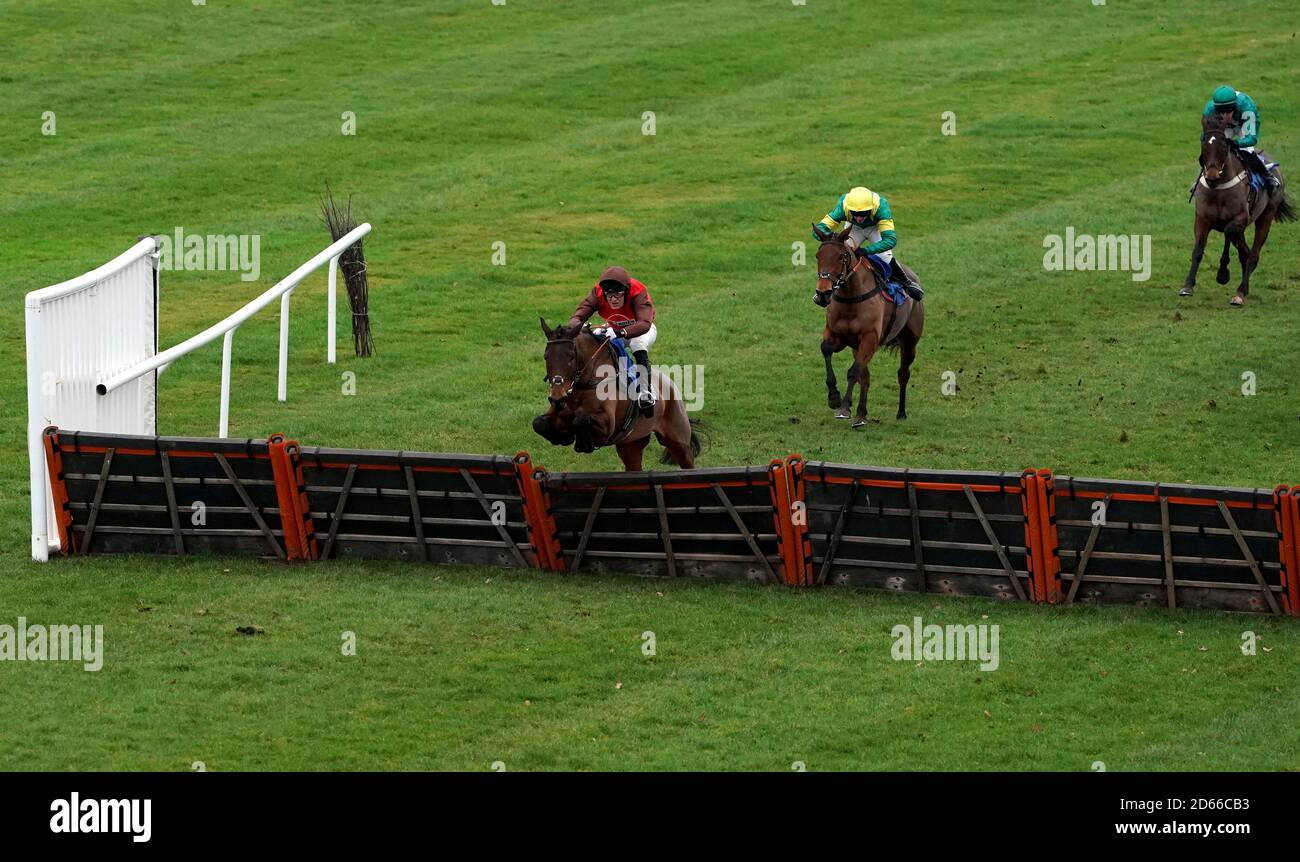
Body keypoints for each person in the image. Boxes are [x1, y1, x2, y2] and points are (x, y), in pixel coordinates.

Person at [565, 266, 657, 416]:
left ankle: (645, 391)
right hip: (613, 329)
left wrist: (620, 332)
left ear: (626, 291)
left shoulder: (638, 291)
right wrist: (578, 327)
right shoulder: (598, 293)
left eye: (618, 294)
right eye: (609, 294)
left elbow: (645, 323)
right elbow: (577, 317)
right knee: (595, 342)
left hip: (639, 330)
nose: (613, 299)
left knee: (637, 344)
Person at [811, 186, 923, 307]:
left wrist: (866, 250)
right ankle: (827, 291)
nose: (859, 218)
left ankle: (907, 283)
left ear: (871, 209)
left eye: (863, 214)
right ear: (849, 209)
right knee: (841, 255)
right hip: (853, 228)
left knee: (885, 256)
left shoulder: (881, 207)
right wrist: (832, 239)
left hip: (875, 228)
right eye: (855, 214)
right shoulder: (843, 206)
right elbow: (819, 229)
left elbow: (890, 240)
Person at [1201, 85, 1279, 191]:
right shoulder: (1209, 110)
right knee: (1213, 147)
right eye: (1221, 112)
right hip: (1225, 128)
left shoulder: (1247, 107)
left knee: (1246, 149)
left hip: (1243, 125)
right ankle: (1201, 178)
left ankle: (1267, 176)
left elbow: (1252, 139)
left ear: (1234, 107)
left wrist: (1236, 143)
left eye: (1228, 111)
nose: (1224, 116)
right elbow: (1204, 136)